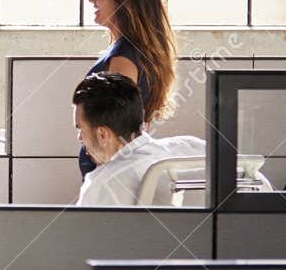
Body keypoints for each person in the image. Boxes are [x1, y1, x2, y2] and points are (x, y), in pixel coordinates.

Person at [79, 0, 178, 178]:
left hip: (110, 177)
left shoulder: (124, 58)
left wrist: (101, 175)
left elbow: (116, 133)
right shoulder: (134, 51)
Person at [72, 75, 205, 207]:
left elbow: (82, 228)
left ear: (102, 134)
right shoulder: (192, 146)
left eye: (80, 129)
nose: (79, 137)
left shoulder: (102, 185)